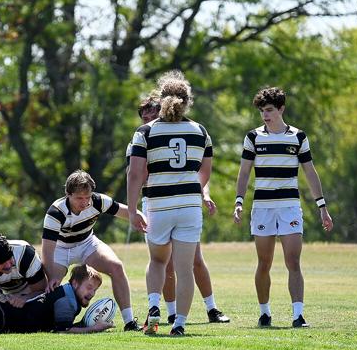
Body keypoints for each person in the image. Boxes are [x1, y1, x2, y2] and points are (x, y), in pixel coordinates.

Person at [232, 86, 333, 328]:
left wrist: (322, 207)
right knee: (264, 263)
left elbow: (310, 171)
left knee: (293, 261)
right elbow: (244, 171)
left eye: (269, 110)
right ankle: (264, 312)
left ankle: (298, 315)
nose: (265, 115)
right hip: (263, 207)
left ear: (281, 109)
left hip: (289, 206)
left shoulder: (297, 137)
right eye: (261, 111)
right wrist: (238, 201)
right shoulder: (254, 137)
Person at [127, 71, 213, 336]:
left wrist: (132, 210)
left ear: (160, 99)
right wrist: (189, 191)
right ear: (187, 101)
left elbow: (136, 174)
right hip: (188, 207)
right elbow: (205, 171)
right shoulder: (200, 131)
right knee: (185, 268)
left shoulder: (145, 132)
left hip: (158, 205)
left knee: (158, 261)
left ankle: (154, 306)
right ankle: (180, 324)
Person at [133, 93, 230, 325]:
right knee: (167, 262)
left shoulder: (173, 132)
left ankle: (211, 307)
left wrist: (204, 195)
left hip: (174, 201)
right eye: (144, 117)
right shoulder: (147, 136)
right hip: (160, 201)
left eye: (151, 114)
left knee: (193, 259)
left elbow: (191, 172)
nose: (147, 120)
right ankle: (173, 312)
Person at [42, 170, 143, 331]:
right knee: (47, 287)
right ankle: (46, 324)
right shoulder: (56, 212)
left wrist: (139, 217)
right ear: (68, 194)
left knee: (116, 266)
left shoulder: (97, 201)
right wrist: (52, 276)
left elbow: (126, 212)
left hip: (86, 243)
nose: (84, 202)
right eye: (79, 198)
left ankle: (130, 322)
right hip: (60, 249)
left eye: (87, 197)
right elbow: (47, 250)